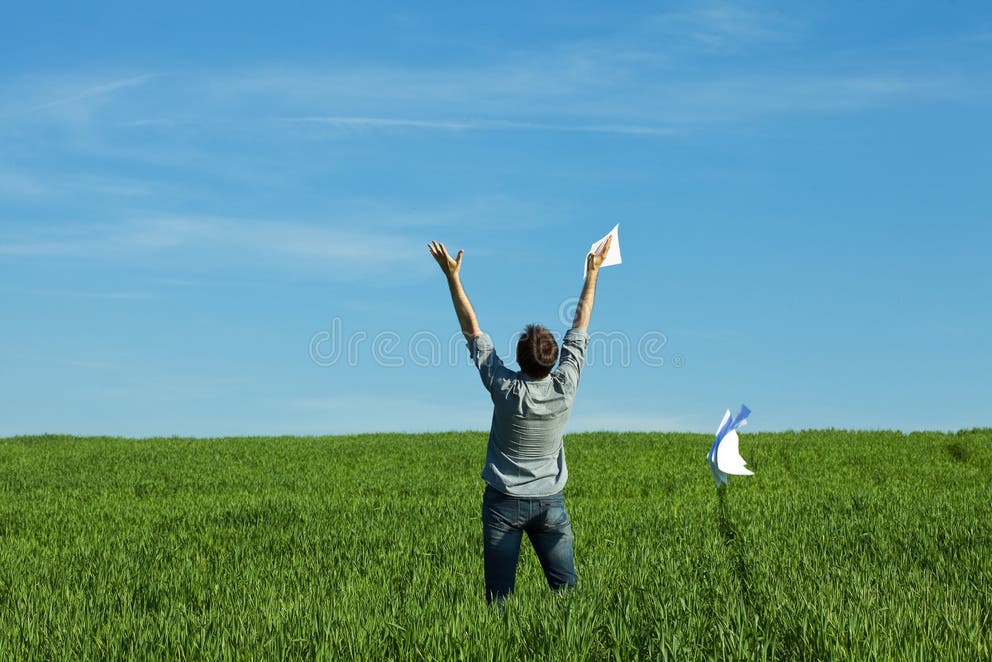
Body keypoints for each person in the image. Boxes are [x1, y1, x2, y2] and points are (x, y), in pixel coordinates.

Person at [428, 236, 612, 604]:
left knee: (499, 603)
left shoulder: (504, 387)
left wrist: (452, 277)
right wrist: (593, 273)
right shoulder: (566, 386)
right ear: (554, 359)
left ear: (518, 358)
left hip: (503, 503)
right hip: (550, 503)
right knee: (568, 597)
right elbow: (580, 323)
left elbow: (472, 328)